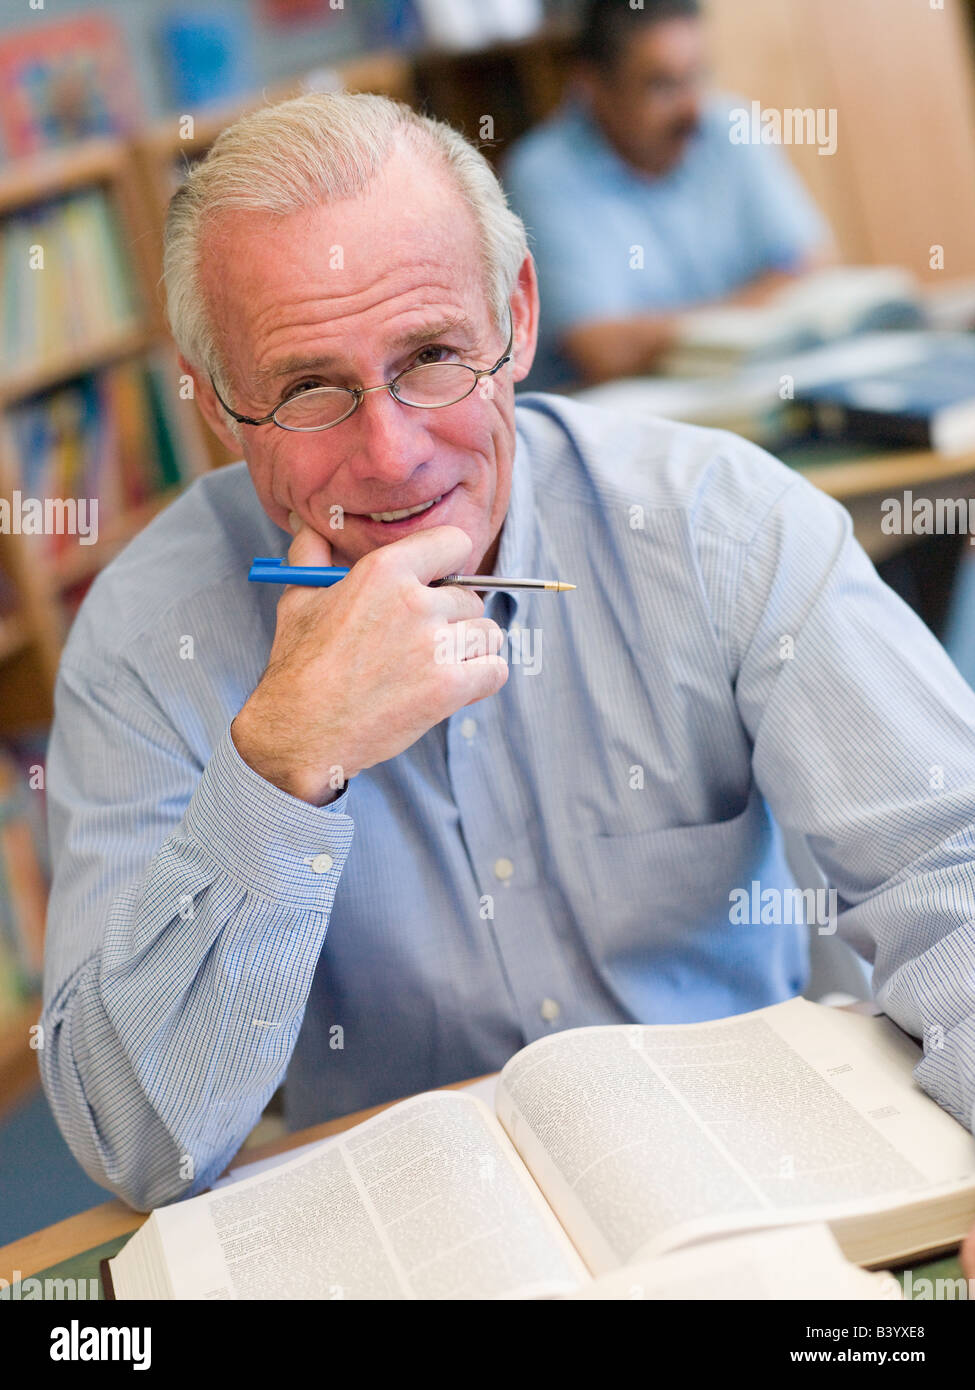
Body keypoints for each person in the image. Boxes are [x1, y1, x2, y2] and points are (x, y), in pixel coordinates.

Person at [39, 94, 975, 1290]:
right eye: (311, 389)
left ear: (517, 318)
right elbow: (135, 1141)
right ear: (221, 412)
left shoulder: (719, 527)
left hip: (749, 1204)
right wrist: (282, 761)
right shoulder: (142, 637)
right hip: (403, 1244)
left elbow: (951, 864)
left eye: (430, 357)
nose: (392, 455)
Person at [503, 0, 833, 388]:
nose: (692, 108)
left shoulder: (729, 127)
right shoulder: (541, 175)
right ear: (591, 85)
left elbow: (812, 265)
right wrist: (760, 305)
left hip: (751, 386)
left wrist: (669, 333)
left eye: (697, 76)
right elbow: (603, 351)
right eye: (662, 85)